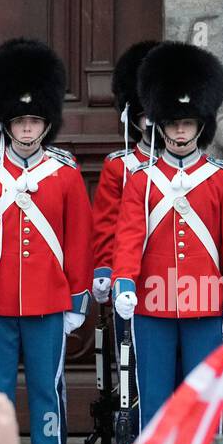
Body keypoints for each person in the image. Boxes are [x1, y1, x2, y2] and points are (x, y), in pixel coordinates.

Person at [0, 38, 93, 444]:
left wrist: (77, 298)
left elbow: (78, 241)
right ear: (7, 124)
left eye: (35, 121)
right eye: (20, 122)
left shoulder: (65, 172)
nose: (28, 129)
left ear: (45, 123)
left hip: (48, 303)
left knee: (45, 392)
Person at [111, 42, 223, 437]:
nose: (179, 130)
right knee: (154, 402)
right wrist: (124, 282)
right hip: (153, 305)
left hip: (206, 303)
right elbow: (129, 238)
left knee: (205, 405)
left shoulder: (222, 178)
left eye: (186, 123)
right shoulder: (141, 179)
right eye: (172, 123)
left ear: (200, 125)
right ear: (160, 125)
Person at [91, 40, 159, 311]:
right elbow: (107, 225)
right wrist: (106, 268)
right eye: (143, 115)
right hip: (130, 278)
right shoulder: (120, 165)